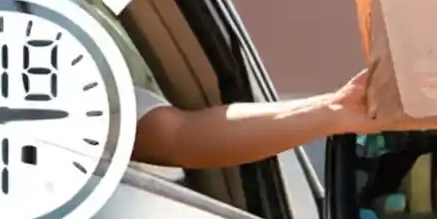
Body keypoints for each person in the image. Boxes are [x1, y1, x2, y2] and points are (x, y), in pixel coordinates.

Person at [130, 69, 380, 168]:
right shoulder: (94, 89)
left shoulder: (100, 93)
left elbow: (178, 136)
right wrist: (335, 110)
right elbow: (179, 137)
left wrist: (337, 109)